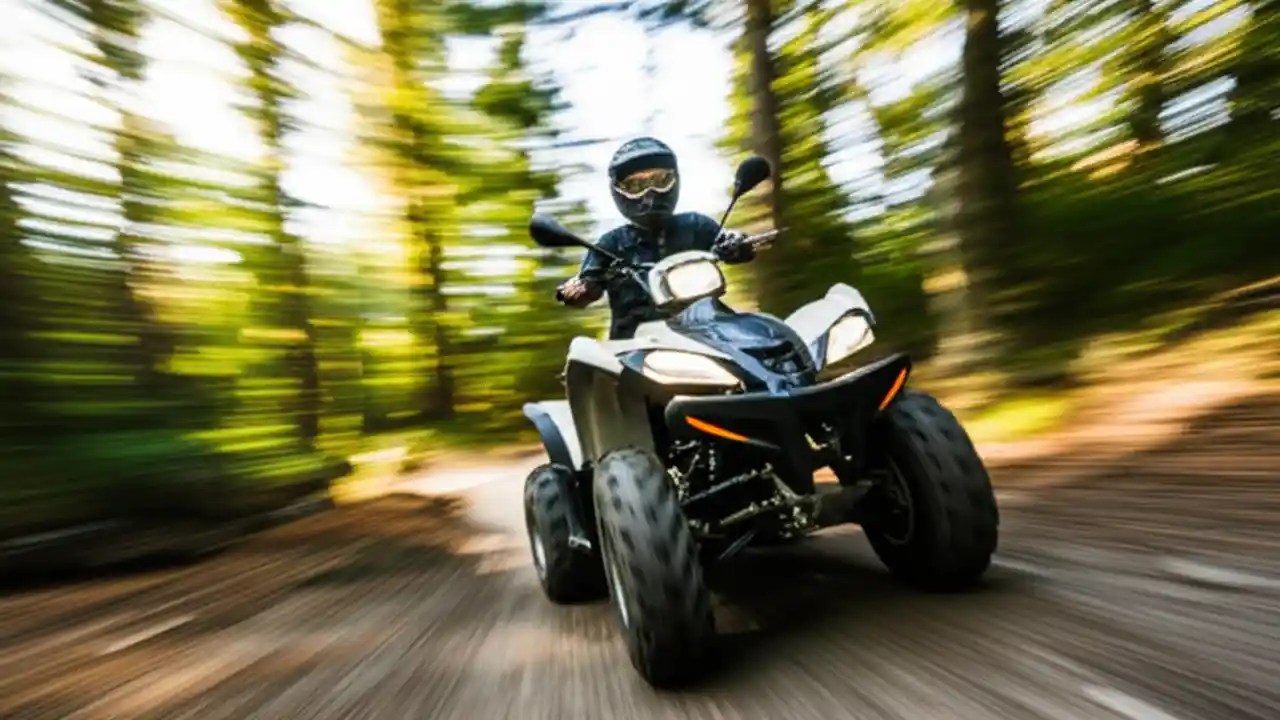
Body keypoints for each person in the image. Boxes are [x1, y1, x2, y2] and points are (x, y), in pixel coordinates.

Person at [556, 137, 761, 340]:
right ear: (618, 191)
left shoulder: (697, 225)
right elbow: (587, 285)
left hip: (708, 328)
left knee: (762, 336)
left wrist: (736, 243)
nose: (650, 192)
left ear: (675, 179)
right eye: (636, 185)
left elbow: (732, 244)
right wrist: (579, 289)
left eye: (660, 180)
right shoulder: (610, 244)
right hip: (635, 343)